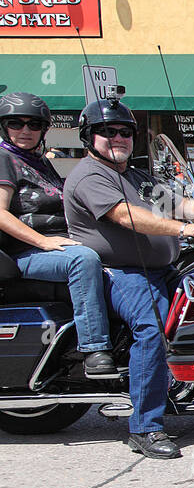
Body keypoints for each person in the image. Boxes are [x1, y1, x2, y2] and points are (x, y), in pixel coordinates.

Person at [62, 97, 194, 459]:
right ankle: (145, 427)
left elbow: (182, 205)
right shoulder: (90, 176)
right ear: (89, 136)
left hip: (161, 270)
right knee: (152, 328)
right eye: (106, 131)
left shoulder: (135, 175)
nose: (118, 137)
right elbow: (127, 216)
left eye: (124, 131)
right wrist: (185, 228)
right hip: (122, 273)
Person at [0, 91, 118, 379]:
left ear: (44, 129)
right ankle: (94, 349)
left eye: (34, 125)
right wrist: (43, 242)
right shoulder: (4, 158)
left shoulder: (38, 162)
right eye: (16, 123)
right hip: (25, 252)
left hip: (54, 246)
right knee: (83, 260)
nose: (25, 130)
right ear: (4, 126)